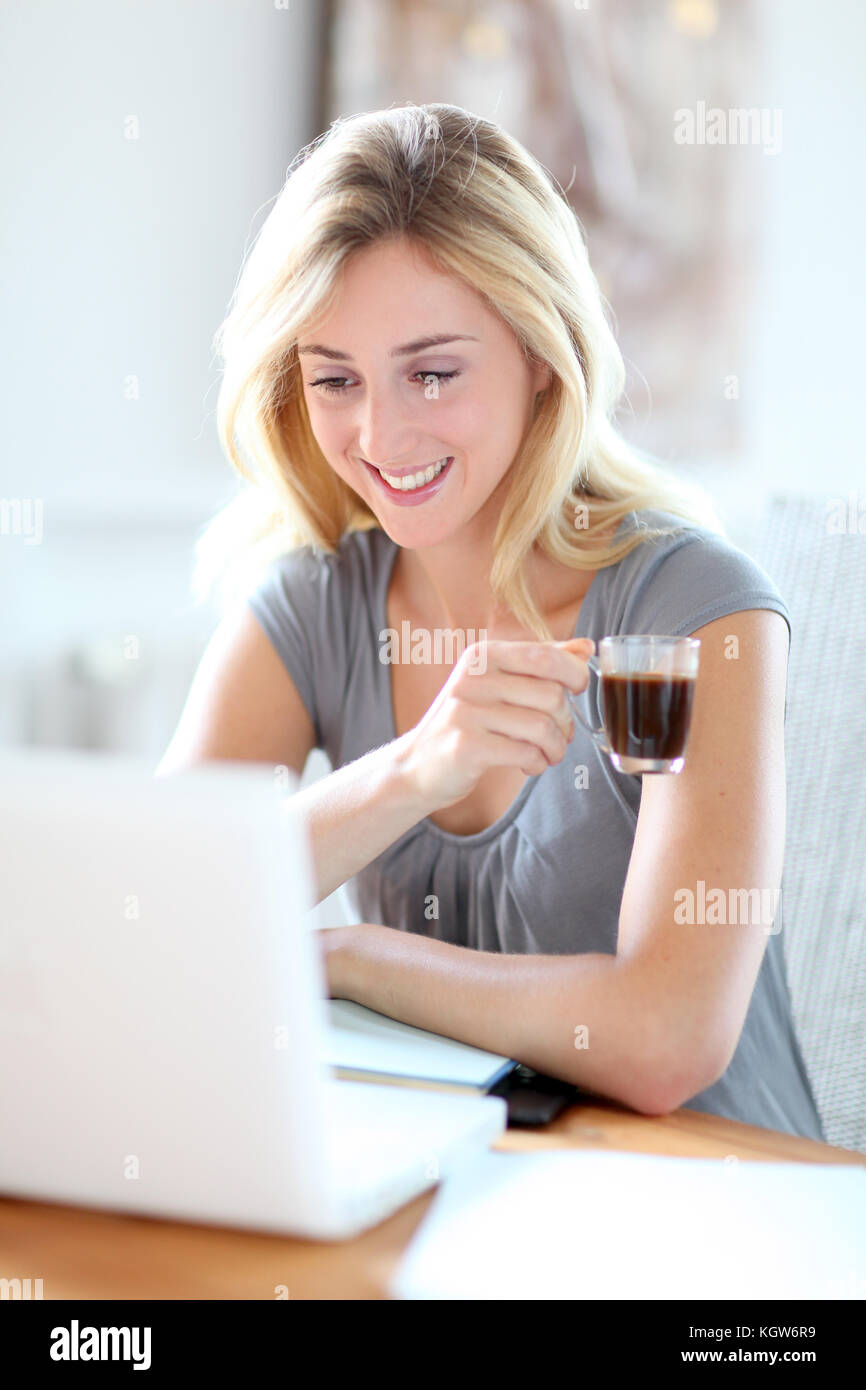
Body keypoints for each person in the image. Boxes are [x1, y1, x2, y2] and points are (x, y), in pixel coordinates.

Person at [158, 103, 824, 1141]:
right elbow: (150, 913)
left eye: (430, 371)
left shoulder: (694, 609)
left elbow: (665, 1034)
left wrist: (354, 960)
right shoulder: (311, 602)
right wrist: (410, 772)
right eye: (334, 378)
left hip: (722, 1210)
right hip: (459, 1191)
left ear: (540, 352)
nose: (380, 435)